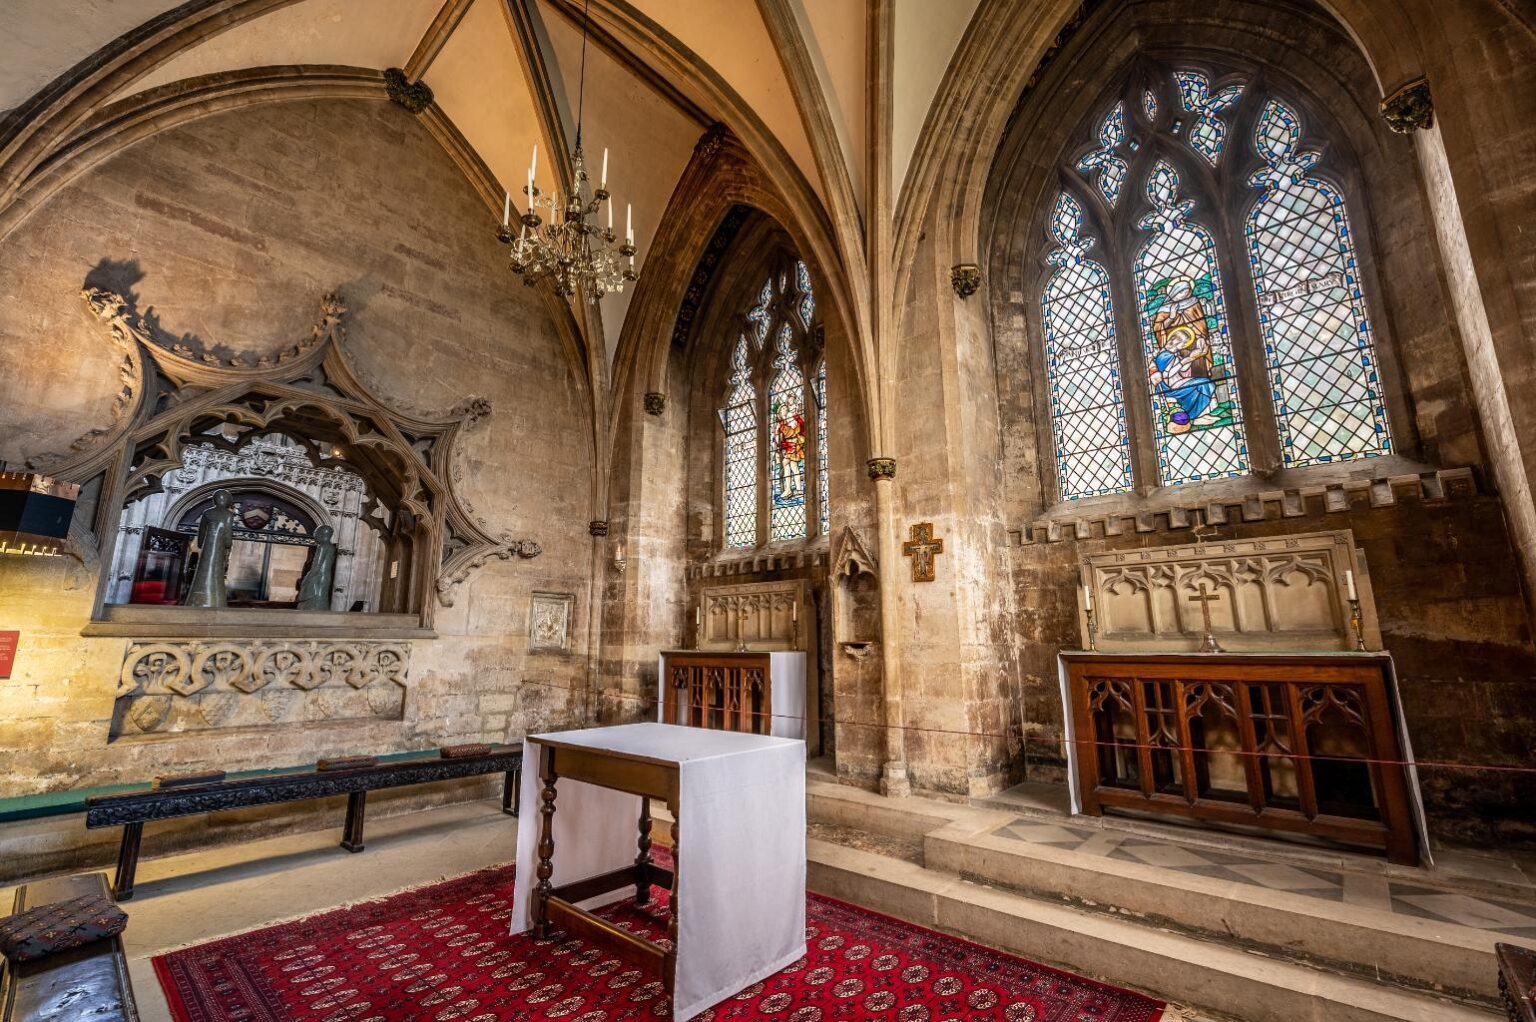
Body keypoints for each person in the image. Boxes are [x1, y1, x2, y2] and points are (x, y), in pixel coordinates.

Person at [1149, 279, 1217, 434]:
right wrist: (1172, 317)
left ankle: (1199, 414)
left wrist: (1194, 352)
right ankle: (1192, 415)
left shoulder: (1194, 303)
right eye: (1181, 292)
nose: (1184, 294)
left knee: (1203, 380)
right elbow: (1159, 328)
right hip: (1172, 382)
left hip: (1191, 350)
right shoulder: (1166, 354)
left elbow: (1202, 326)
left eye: (1186, 292)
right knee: (1204, 384)